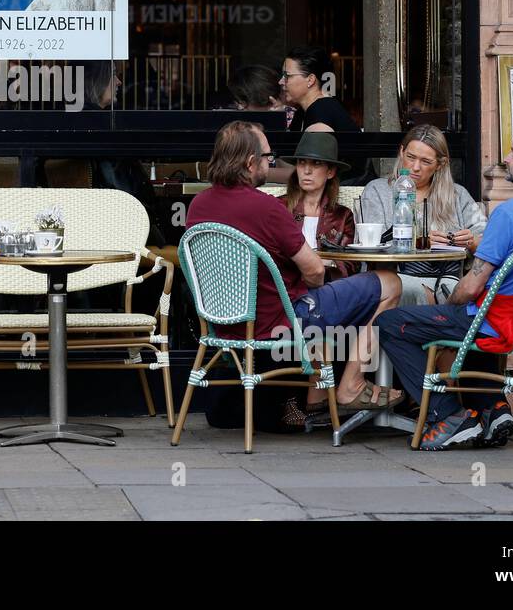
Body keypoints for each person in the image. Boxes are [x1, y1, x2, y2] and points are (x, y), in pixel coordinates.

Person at [374, 129, 513, 451]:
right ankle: (493, 408)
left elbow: (471, 286)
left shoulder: (509, 214)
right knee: (472, 319)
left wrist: (449, 303)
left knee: (392, 323)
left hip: (500, 322)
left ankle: (447, 415)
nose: (506, 159)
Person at [185, 121, 402, 417]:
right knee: (389, 282)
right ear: (250, 163)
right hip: (280, 322)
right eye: (267, 157)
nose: (271, 163)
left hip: (222, 323)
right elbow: (315, 271)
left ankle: (317, 396)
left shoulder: (198, 205)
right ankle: (351, 385)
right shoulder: (267, 208)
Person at [359, 124, 487, 305]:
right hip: (395, 276)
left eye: (426, 161)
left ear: (440, 164)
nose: (415, 167)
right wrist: (421, 243)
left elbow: (489, 243)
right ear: (401, 152)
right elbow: (372, 244)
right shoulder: (378, 190)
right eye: (410, 157)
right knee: (401, 289)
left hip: (448, 281)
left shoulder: (457, 194)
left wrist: (470, 241)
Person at [282, 130, 356, 284]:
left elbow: (350, 265)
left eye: (316, 163)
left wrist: (324, 267)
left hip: (328, 287)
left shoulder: (343, 216)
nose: (307, 171)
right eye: (302, 162)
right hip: (286, 288)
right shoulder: (279, 208)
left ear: (330, 172)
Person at [279, 46, 359, 132]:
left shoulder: (322, 112)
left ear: (310, 80)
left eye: (287, 76)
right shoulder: (303, 112)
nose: (280, 82)